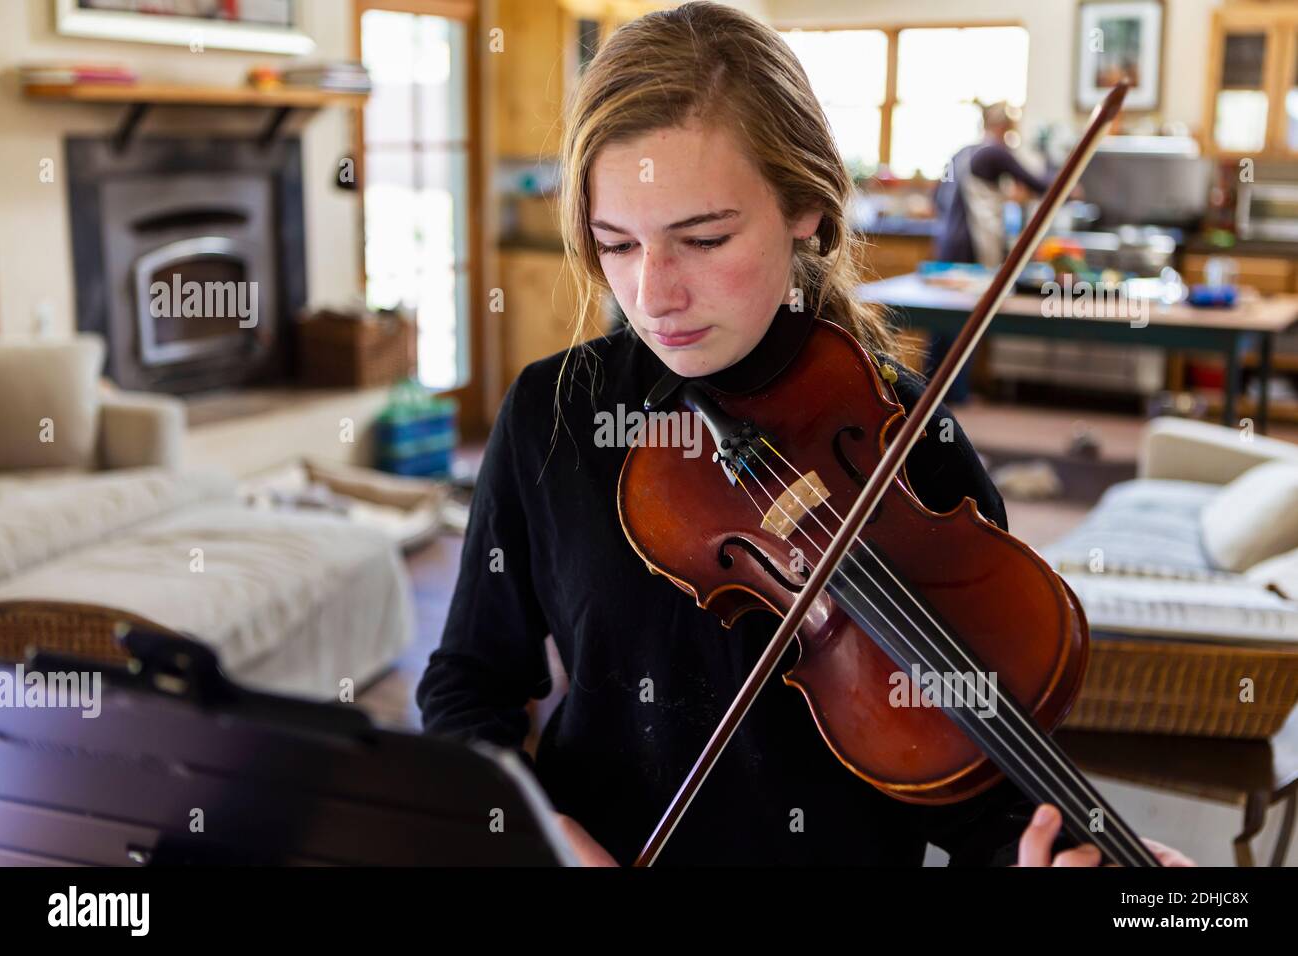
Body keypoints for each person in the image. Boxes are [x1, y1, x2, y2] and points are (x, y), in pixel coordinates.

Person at [417, 1, 1191, 868]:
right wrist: (546, 838)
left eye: (703, 238)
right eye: (617, 245)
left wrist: (1052, 854)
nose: (655, 295)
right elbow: (468, 686)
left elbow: (972, 785)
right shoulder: (549, 417)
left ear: (807, 211)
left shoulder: (901, 437)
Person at [929, 103, 1077, 403]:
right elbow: (1039, 184)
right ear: (1004, 128)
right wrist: (1071, 186)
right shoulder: (994, 152)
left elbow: (936, 196)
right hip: (971, 246)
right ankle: (956, 395)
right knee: (968, 323)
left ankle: (930, 393)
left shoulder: (962, 152)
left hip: (947, 244)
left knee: (943, 322)